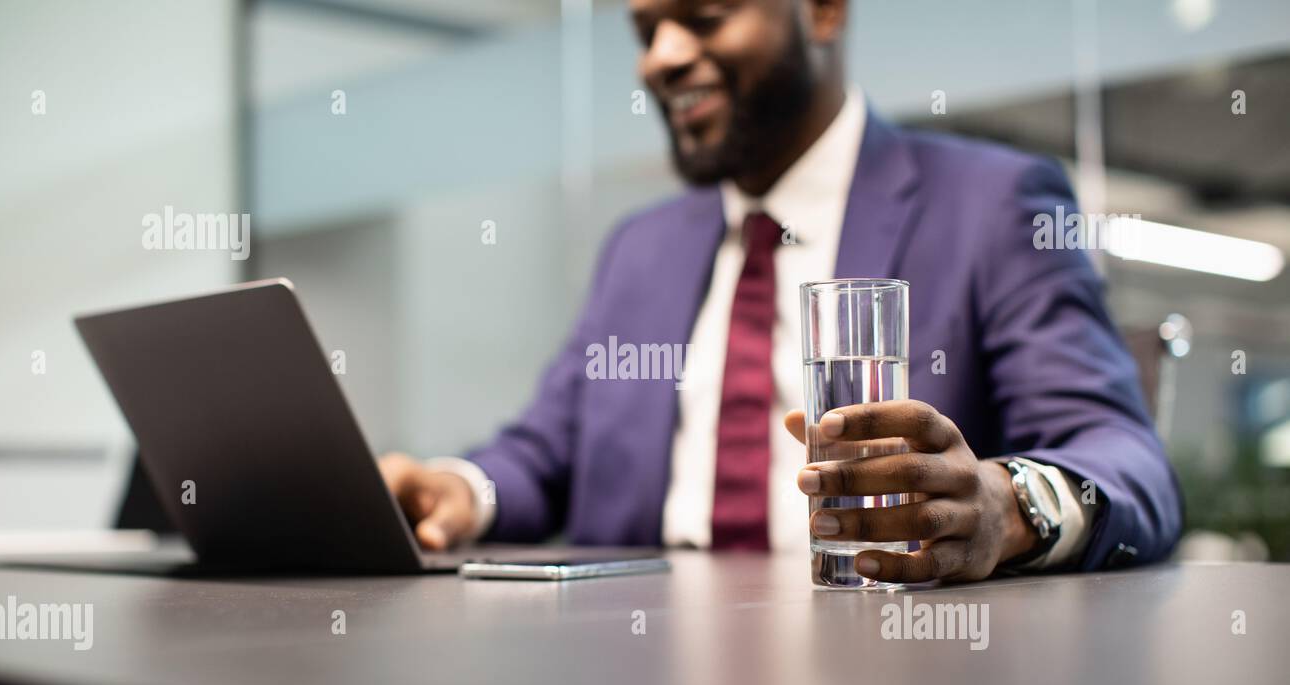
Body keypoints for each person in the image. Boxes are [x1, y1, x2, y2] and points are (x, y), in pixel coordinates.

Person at [378, 0, 1182, 584]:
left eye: (702, 17)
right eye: (644, 30)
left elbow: (1125, 458)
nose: (658, 58)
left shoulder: (991, 206)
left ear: (823, 11)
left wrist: (1006, 508)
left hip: (895, 667)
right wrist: (461, 490)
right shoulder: (640, 247)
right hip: (635, 666)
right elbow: (545, 452)